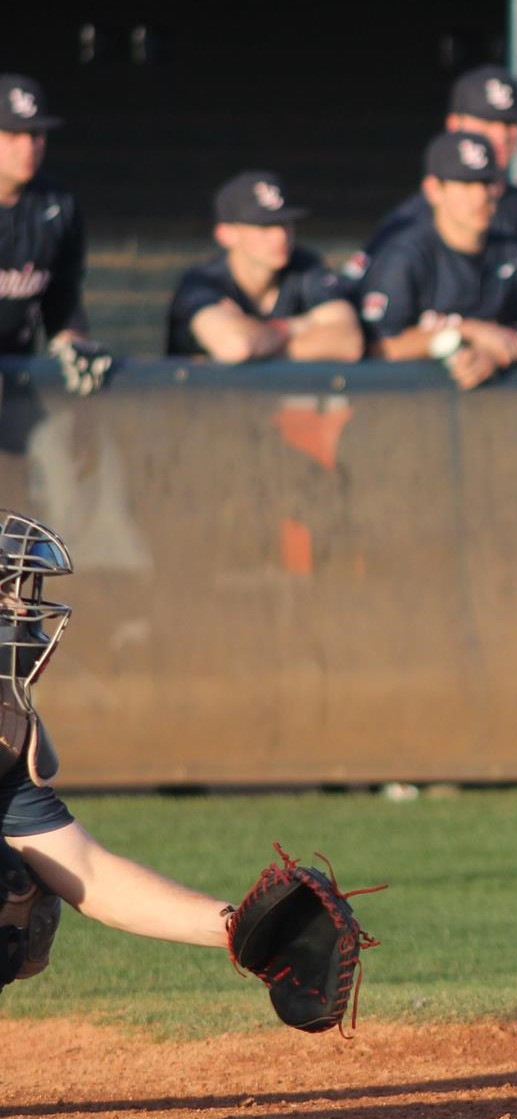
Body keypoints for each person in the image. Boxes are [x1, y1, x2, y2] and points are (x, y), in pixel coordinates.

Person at [0, 511, 231, 987]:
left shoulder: (6, 725)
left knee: (13, 890)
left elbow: (88, 873)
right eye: (5, 595)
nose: (21, 611)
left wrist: (238, 927)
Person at [346, 66, 517, 353]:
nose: (501, 135)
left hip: (515, 381)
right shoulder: (407, 226)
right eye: (487, 122)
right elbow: (374, 339)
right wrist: (464, 334)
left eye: (511, 123)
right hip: (427, 384)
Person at [354, 132, 517, 390]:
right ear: (434, 190)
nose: (481, 196)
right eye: (466, 184)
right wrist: (467, 332)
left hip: (499, 409)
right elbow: (379, 347)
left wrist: (503, 351)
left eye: (489, 182)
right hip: (412, 407)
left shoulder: (514, 251)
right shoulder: (404, 256)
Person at [165, 171, 362, 362]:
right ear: (226, 234)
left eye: (285, 224)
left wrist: (261, 339)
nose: (281, 237)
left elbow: (349, 344)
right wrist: (301, 326)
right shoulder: (201, 281)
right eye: (265, 227)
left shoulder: (304, 265)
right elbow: (236, 347)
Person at [0, 74, 111, 396]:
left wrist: (72, 341)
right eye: (13, 134)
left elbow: (61, 297)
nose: (28, 146)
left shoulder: (57, 206)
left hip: (16, 372)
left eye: (36, 134)